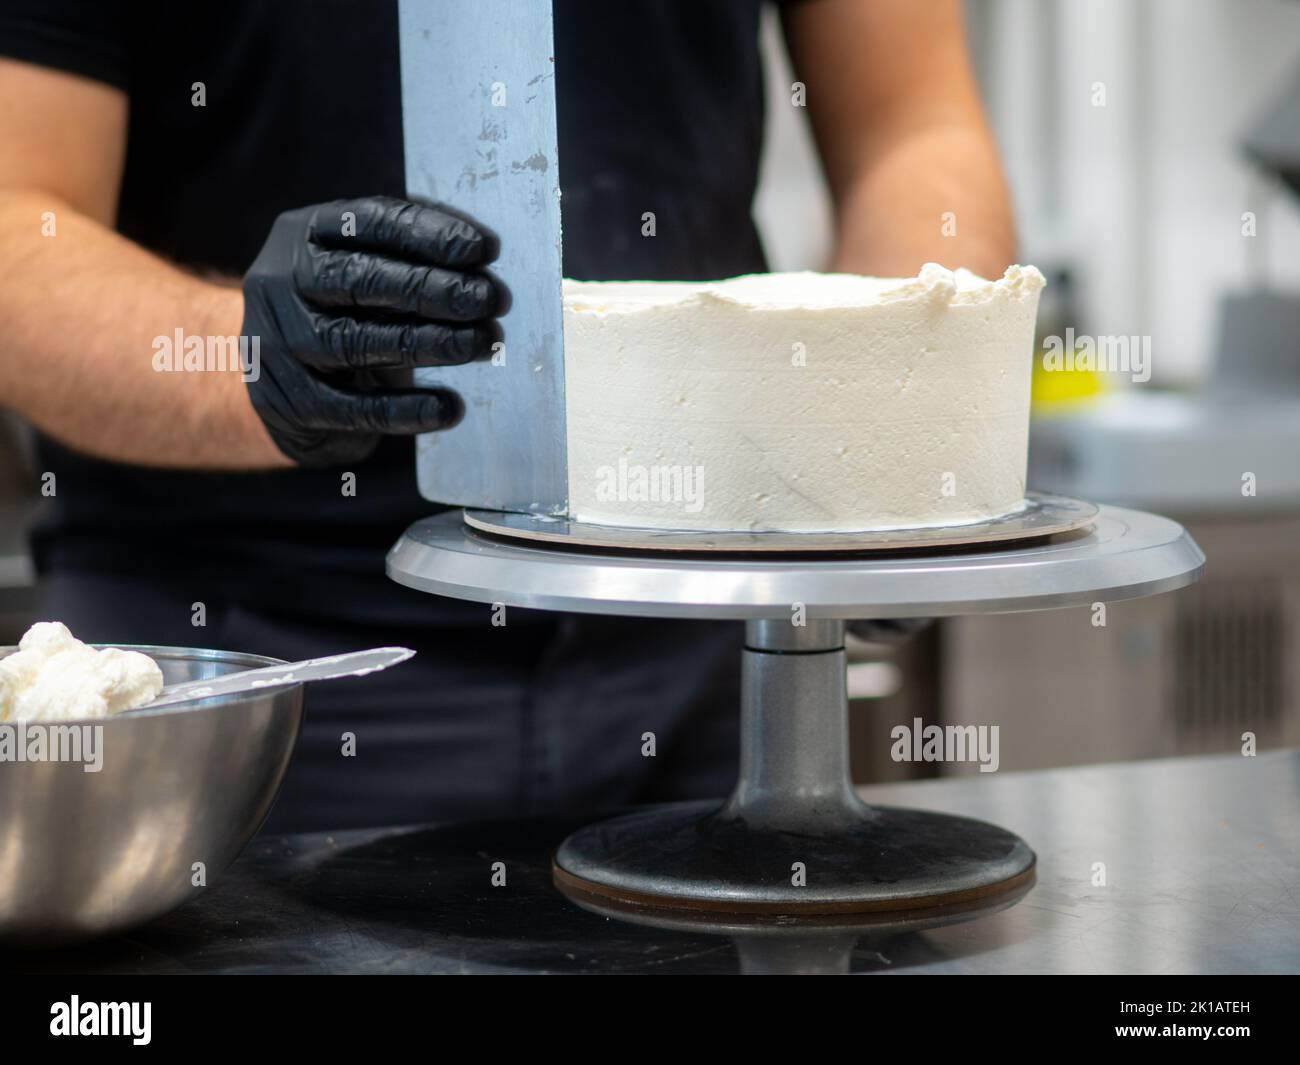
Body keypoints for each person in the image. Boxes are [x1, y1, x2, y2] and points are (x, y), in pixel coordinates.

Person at [0, 0, 1015, 832]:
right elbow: (18, 225)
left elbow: (912, 128)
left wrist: (893, 425)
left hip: (699, 644)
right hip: (257, 676)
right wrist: (250, 360)